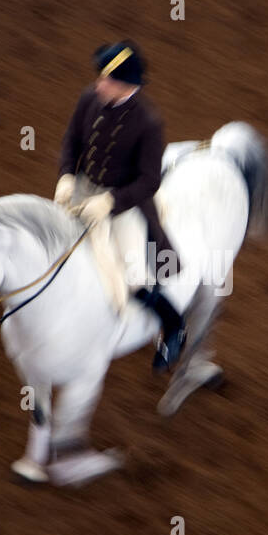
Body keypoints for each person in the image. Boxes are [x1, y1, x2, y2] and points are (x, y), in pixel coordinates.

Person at [55, 39, 186, 371]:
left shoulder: (148, 122)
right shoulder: (90, 97)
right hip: (82, 188)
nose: (99, 83)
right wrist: (67, 176)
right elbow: (71, 139)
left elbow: (149, 181)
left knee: (131, 276)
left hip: (124, 202)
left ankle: (173, 327)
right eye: (100, 77)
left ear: (127, 85)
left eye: (107, 79)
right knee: (51, 241)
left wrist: (110, 202)